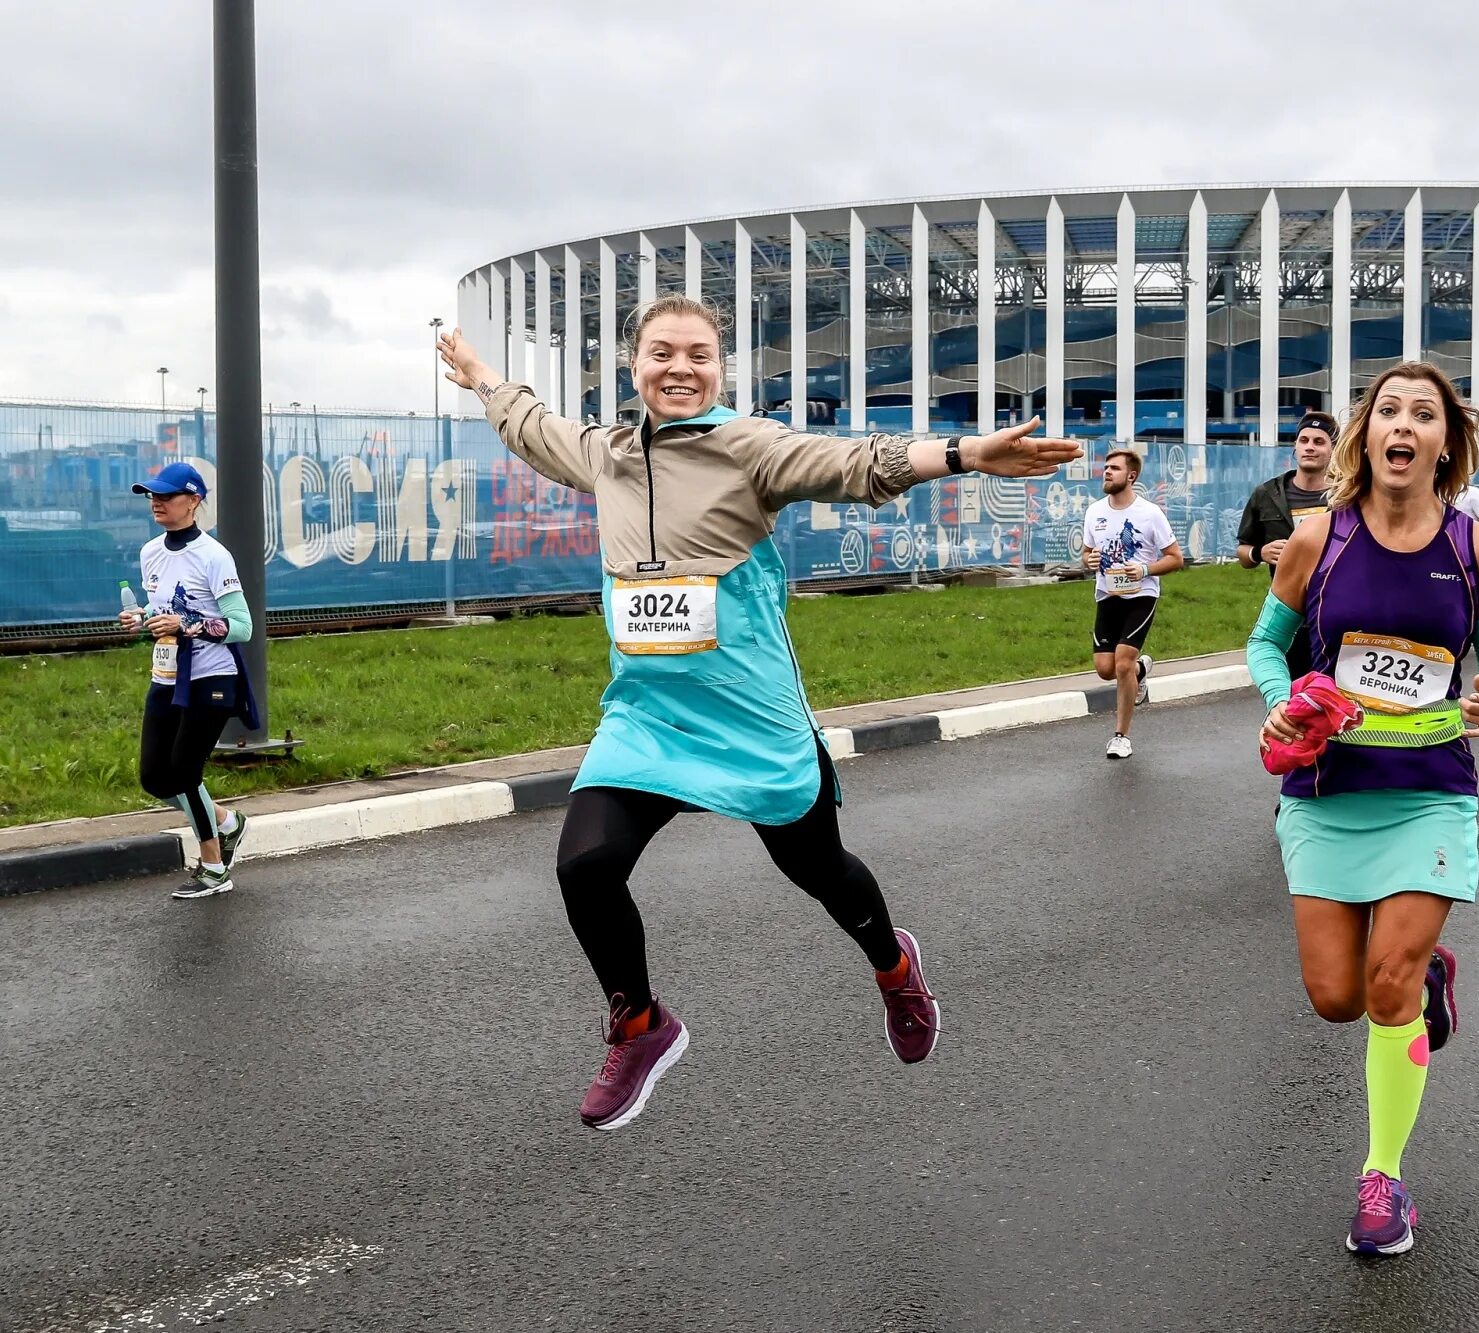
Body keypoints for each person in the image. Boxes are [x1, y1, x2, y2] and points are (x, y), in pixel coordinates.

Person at [437, 296, 1078, 1131]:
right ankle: (640, 1024)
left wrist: (962, 454)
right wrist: (480, 374)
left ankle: (894, 968)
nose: (679, 368)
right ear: (634, 364)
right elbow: (531, 426)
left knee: (822, 871)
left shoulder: (750, 447)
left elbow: (853, 462)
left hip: (753, 720)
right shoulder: (609, 454)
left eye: (698, 355)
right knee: (584, 865)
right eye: (662, 352)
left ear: (720, 368)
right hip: (648, 719)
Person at [1245, 361, 1479, 1256]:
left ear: (1446, 443)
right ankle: (1428, 973)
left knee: (1386, 986)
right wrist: (1282, 701)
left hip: (1430, 793)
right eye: (1389, 411)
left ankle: (1384, 1178)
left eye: (1424, 414)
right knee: (1337, 998)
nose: (1404, 425)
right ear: (1367, 435)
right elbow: (1265, 646)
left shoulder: (1475, 548)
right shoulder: (1316, 538)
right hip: (1327, 793)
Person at [119, 462, 257, 899]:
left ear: (194, 501)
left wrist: (187, 625)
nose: (156, 503)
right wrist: (141, 617)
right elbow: (161, 605)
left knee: (183, 772)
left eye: (167, 496)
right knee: (155, 778)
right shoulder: (150, 552)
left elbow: (242, 626)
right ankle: (228, 822)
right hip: (166, 676)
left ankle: (214, 867)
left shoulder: (214, 556)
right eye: (152, 496)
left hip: (211, 678)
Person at [1080, 448, 1181, 759]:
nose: (1107, 472)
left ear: (1131, 476)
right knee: (1105, 669)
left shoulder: (1149, 513)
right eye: (1106, 467)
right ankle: (1140, 670)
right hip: (1107, 595)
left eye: (1114, 468)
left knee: (1122, 662)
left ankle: (1120, 737)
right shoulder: (1094, 512)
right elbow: (1086, 554)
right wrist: (1089, 560)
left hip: (1141, 595)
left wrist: (1145, 569)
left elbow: (1175, 558)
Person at [1238, 410, 1336, 678]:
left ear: (1333, 449)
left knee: (1332, 696)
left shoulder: (1346, 497)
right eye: (1304, 440)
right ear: (1295, 446)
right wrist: (1260, 553)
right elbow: (1243, 553)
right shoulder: (1267, 494)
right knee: (1291, 694)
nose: (1310, 447)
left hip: (1335, 616)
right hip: (1288, 614)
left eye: (1319, 442)